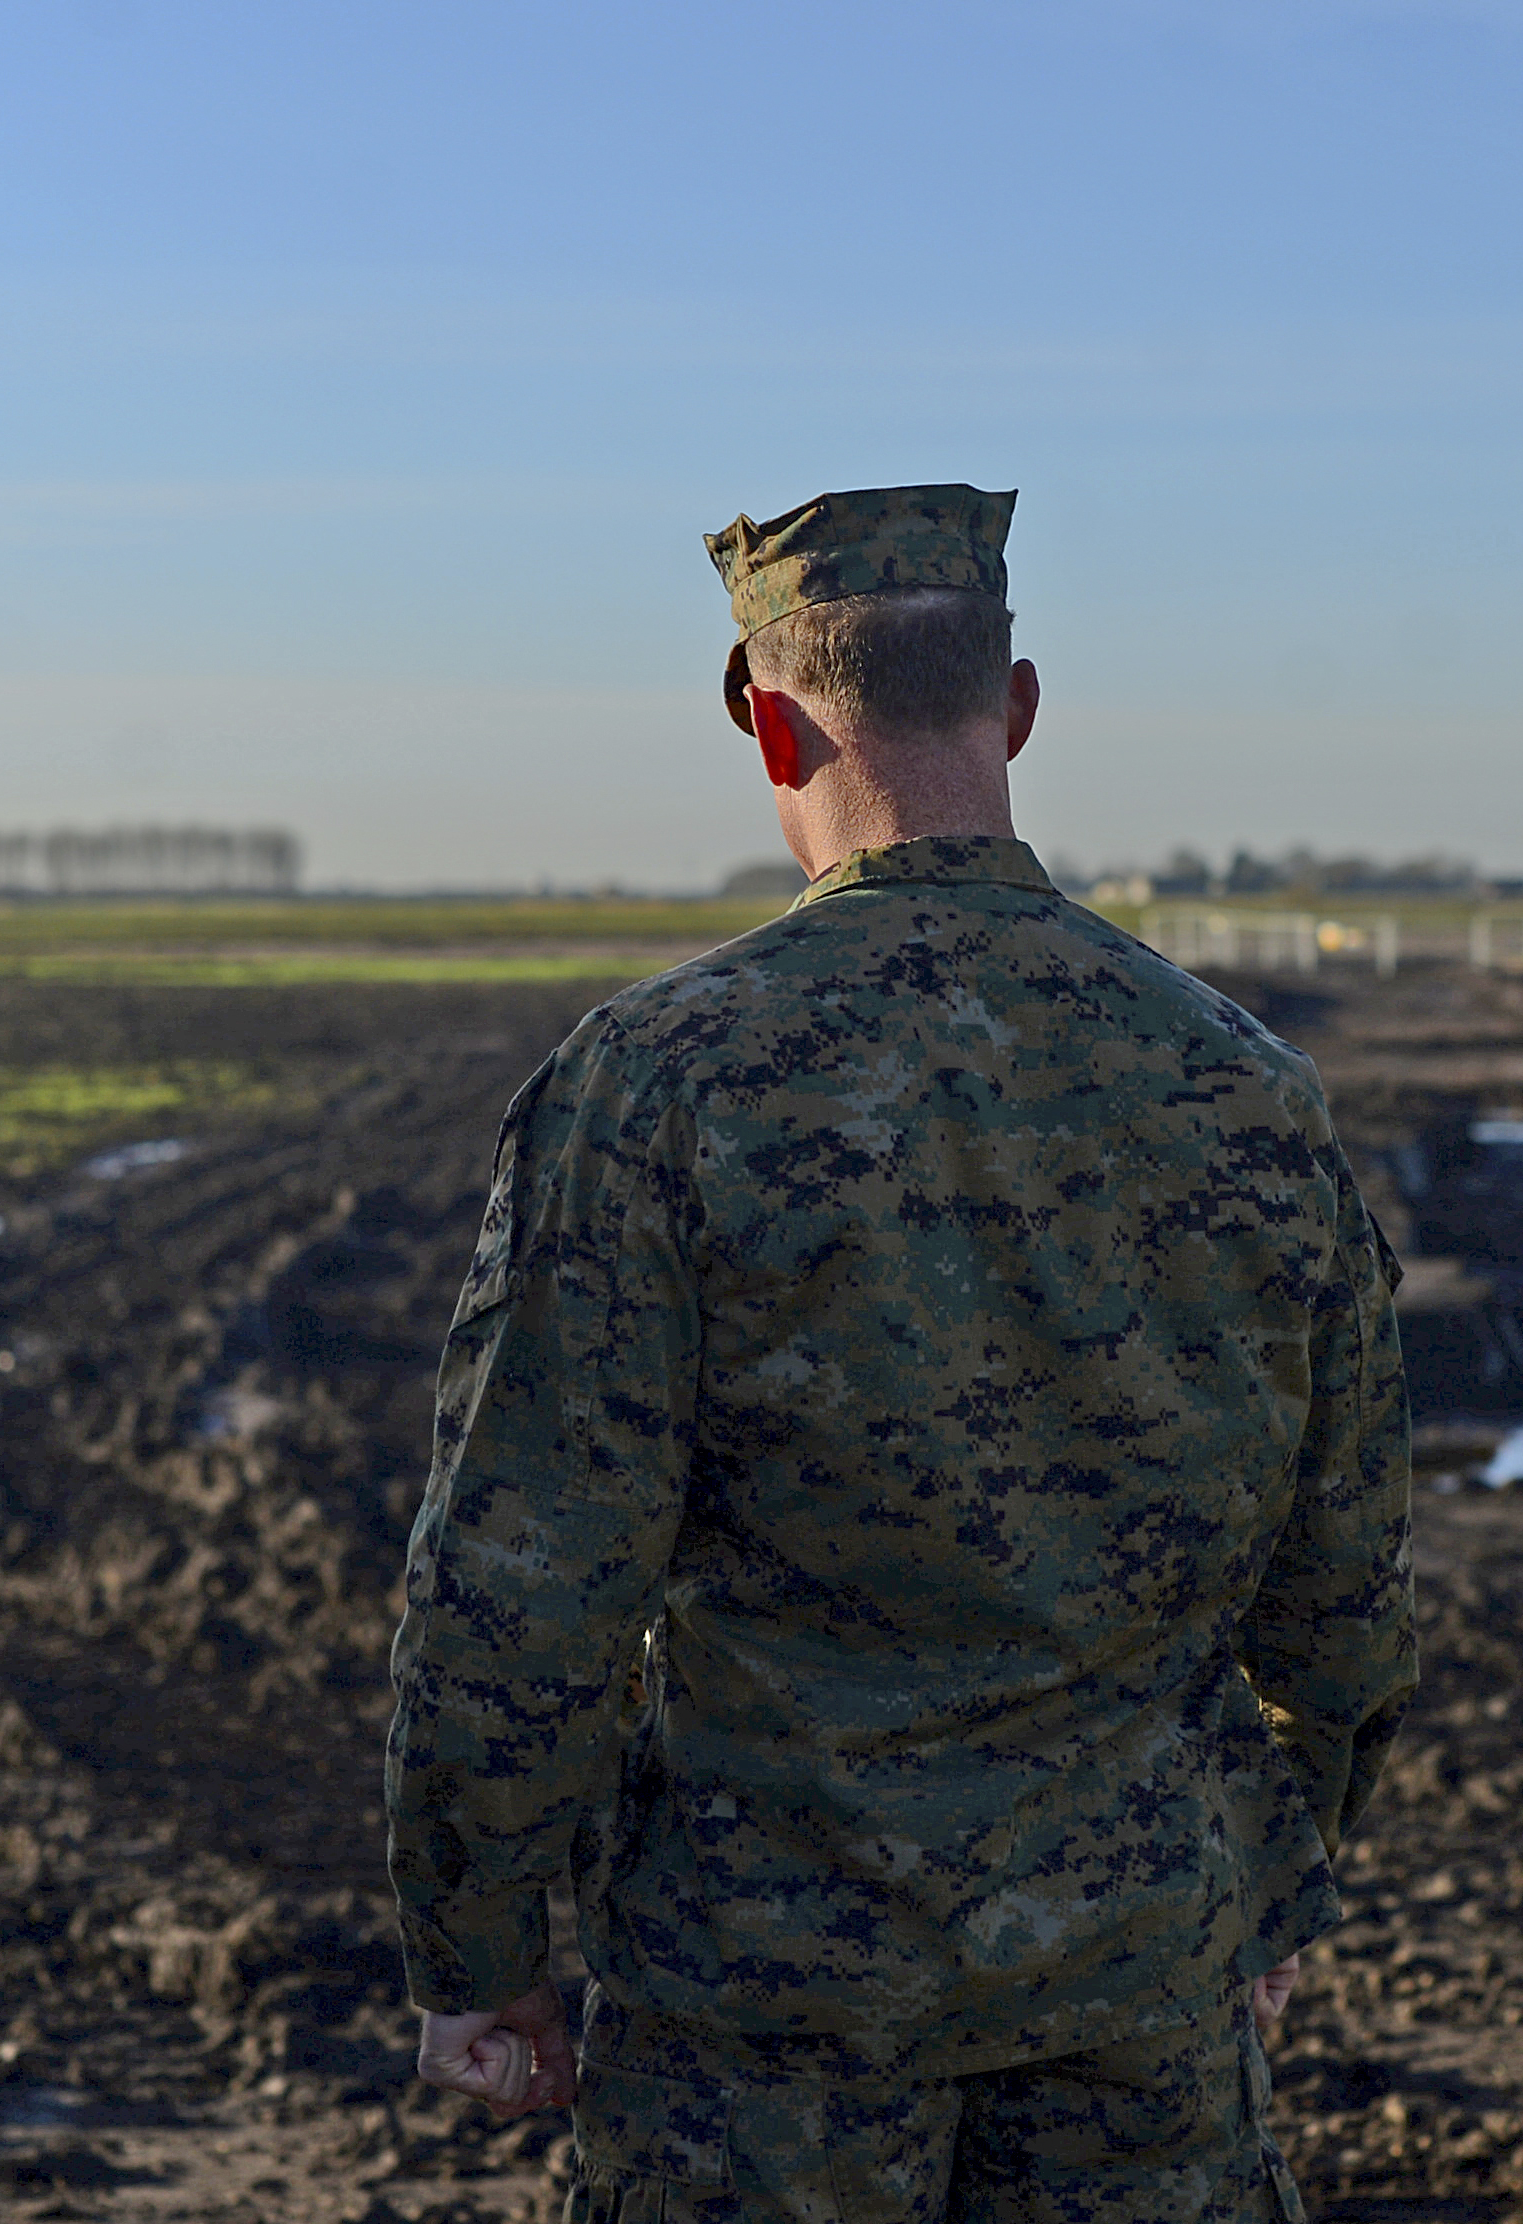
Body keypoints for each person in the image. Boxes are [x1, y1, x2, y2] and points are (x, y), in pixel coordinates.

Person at [384, 484, 1417, 2219]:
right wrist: (1262, 1875)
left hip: (760, 2012)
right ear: (1015, 711)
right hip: (1139, 1980)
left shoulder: (657, 1084)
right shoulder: (1240, 1081)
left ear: (763, 714)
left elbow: (522, 1577)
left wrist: (478, 1946)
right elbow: (1349, 1583)